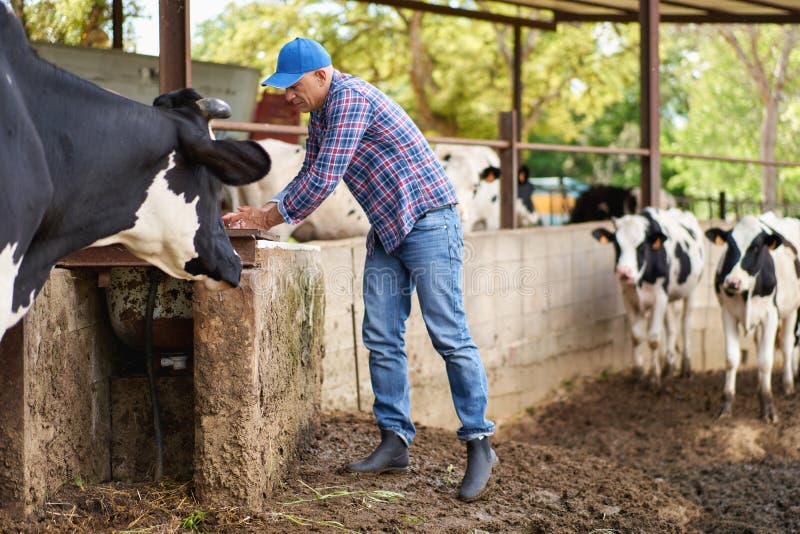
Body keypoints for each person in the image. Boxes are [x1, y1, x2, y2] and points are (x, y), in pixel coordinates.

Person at [223, 37, 497, 501]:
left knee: (449, 334)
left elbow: (326, 177)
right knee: (381, 335)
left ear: (321, 75)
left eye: (293, 86)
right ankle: (394, 442)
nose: (288, 96)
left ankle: (479, 443)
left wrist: (266, 218)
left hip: (429, 222)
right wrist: (262, 210)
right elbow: (309, 171)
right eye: (283, 88)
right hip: (389, 228)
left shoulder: (350, 99)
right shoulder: (320, 114)